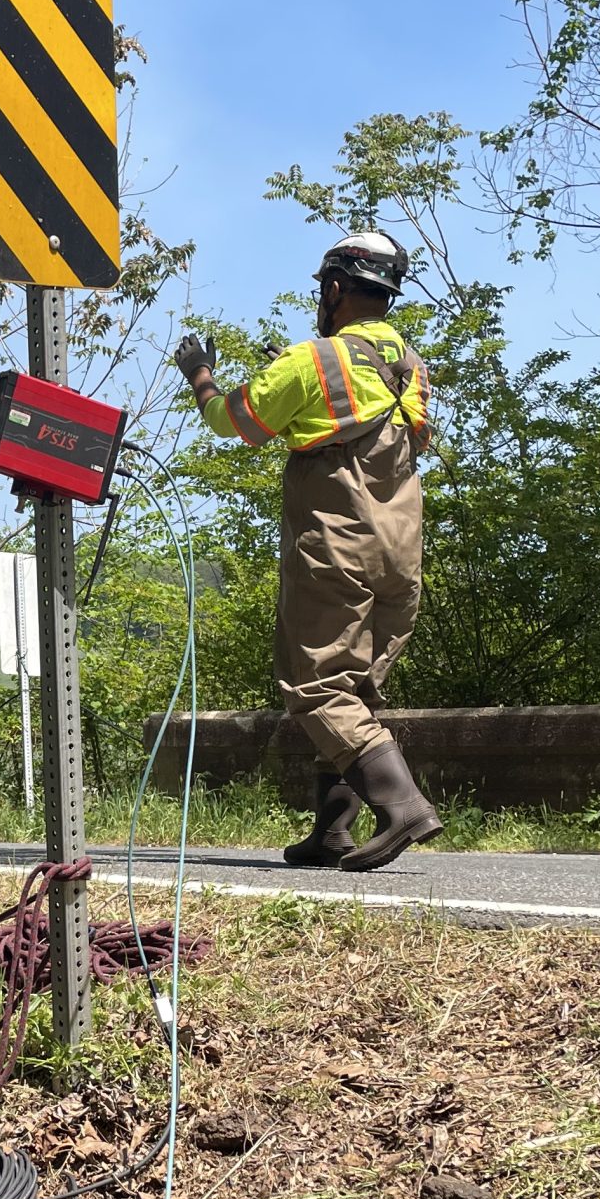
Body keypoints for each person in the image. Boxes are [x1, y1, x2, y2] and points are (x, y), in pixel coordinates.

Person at [173, 231, 441, 871]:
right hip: (401, 551)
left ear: (333, 289)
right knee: (357, 689)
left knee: (316, 685)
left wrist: (201, 376)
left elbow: (234, 422)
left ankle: (402, 803)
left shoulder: (313, 360)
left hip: (338, 543)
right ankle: (333, 830)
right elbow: (402, 440)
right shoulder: (412, 368)